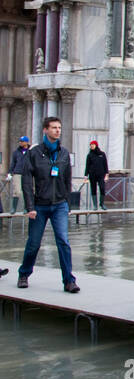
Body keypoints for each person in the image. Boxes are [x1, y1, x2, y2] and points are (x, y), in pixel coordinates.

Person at [16, 116, 79, 293]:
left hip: (59, 204)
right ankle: (24, 274)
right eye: (53, 128)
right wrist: (30, 207)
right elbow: (27, 182)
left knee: (63, 242)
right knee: (34, 243)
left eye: (59, 127)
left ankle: (69, 280)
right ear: (45, 130)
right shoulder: (34, 153)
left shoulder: (64, 153)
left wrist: (68, 203)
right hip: (40, 206)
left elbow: (67, 179)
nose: (57, 130)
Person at [7, 135, 31, 213]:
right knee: (17, 191)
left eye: (22, 141)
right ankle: (13, 208)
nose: (20, 143)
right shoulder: (16, 152)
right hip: (17, 173)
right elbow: (13, 163)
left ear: (26, 142)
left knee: (26, 191)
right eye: (20, 141)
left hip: (27, 174)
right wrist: (10, 173)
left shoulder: (31, 151)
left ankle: (26, 208)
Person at [84, 139, 109, 209]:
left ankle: (102, 203)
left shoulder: (102, 154)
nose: (91, 146)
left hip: (101, 175)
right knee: (93, 189)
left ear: (96, 145)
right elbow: (87, 166)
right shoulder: (89, 155)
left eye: (93, 145)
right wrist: (86, 175)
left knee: (102, 188)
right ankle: (95, 205)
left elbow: (105, 164)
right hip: (92, 175)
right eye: (91, 145)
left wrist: (106, 174)